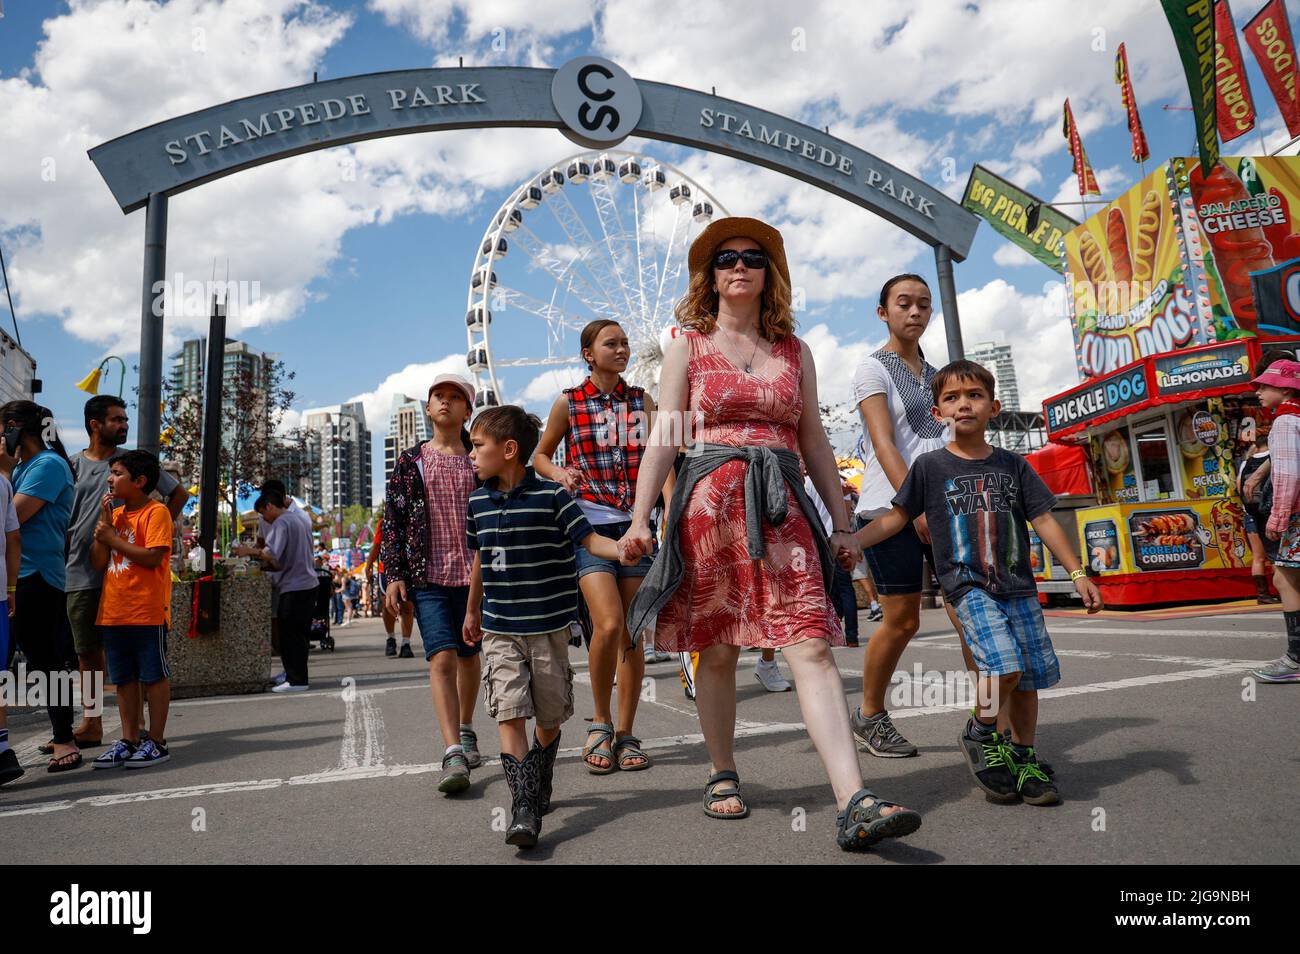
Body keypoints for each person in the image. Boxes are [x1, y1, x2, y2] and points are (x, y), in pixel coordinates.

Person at [622, 217, 922, 851]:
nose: (739, 267)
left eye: (752, 258)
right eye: (726, 258)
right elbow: (666, 438)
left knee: (809, 644)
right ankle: (722, 770)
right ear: (710, 276)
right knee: (720, 647)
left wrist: (843, 524)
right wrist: (641, 517)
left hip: (782, 506)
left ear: (769, 274)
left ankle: (853, 798)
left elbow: (812, 437)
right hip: (711, 506)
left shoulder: (796, 351)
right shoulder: (687, 346)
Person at [853, 360, 1103, 805]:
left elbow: (1043, 517)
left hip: (1019, 587)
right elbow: (896, 516)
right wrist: (853, 543)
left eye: (973, 395)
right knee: (1002, 668)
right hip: (968, 587)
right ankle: (981, 731)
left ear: (994, 406)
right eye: (951, 398)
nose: (963, 404)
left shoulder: (1013, 465)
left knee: (1026, 680)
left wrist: (1078, 572)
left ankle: (1024, 757)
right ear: (936, 413)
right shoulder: (930, 466)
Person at [462, 404, 624, 849]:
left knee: (550, 716)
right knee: (510, 711)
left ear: (509, 450)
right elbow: (480, 560)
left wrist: (625, 548)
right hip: (500, 628)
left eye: (477, 446)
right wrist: (472, 610)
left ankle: (541, 768)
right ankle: (525, 806)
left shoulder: (553, 497)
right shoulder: (476, 502)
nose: (471, 455)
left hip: (550, 629)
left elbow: (590, 541)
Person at [533, 319, 675, 772]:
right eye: (611, 343)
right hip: (589, 527)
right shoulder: (568, 403)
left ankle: (628, 733)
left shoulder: (642, 401)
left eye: (626, 343)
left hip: (635, 525)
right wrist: (559, 474)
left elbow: (663, 455)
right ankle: (599, 720)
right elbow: (540, 455)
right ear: (588, 354)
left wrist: (668, 509)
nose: (623, 349)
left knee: (633, 632)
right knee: (609, 624)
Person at [850, 274, 976, 758]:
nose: (916, 312)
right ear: (883, 312)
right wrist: (915, 502)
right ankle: (870, 715)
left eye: (924, 304)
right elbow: (883, 442)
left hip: (947, 507)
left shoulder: (940, 377)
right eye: (904, 304)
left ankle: (989, 722)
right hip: (889, 509)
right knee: (902, 622)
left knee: (969, 616)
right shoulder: (871, 368)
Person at [64, 396, 187, 751]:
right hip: (83, 571)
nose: (123, 425)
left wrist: (159, 528)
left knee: (143, 661)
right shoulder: (72, 465)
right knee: (88, 653)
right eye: (116, 420)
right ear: (94, 424)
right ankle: (92, 722)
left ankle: (142, 731)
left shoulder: (132, 464)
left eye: (125, 419)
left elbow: (175, 494)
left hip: (134, 581)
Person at [382, 374, 484, 793]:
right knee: (441, 658)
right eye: (438, 397)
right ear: (427, 409)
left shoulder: (481, 459)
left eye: (455, 397)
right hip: (428, 577)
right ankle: (452, 750)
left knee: (468, 655)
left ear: (467, 410)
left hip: (475, 576)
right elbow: (394, 519)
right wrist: (393, 574)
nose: (445, 402)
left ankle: (466, 726)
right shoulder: (411, 462)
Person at [1, 401, 77, 772]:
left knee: (46, 662)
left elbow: (10, 517)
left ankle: (64, 737)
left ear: (15, 427)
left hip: (37, 576)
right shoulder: (21, 467)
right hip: (12, 578)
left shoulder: (48, 465)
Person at [88, 451, 175, 768]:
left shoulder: (157, 513)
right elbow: (98, 562)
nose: (109, 479)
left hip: (146, 611)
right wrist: (105, 528)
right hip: (113, 610)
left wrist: (113, 538)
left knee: (154, 676)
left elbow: (153, 556)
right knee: (123, 679)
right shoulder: (116, 515)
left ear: (139, 481)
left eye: (117, 473)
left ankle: (157, 741)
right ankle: (128, 739)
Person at [234, 488, 318, 692]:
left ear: (270, 506)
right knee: (299, 635)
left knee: (290, 634)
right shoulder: (300, 519)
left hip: (294, 585)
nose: (265, 519)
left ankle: (297, 681)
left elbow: (271, 554)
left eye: (263, 513)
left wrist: (247, 551)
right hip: (308, 583)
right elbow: (281, 560)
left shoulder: (281, 523)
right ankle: (295, 676)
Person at [1250, 359, 1300, 683]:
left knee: (1284, 581)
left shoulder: (1283, 423)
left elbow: (1289, 474)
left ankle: (1295, 660)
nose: (1258, 392)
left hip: (1297, 516)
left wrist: (1278, 518)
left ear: (1284, 389)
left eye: (1264, 386)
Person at [1238, 432, 1279, 604]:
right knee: (1277, 555)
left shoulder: (1246, 462)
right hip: (1270, 513)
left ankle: (1263, 595)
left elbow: (1238, 487)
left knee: (1258, 556)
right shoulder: (1273, 457)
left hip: (1250, 514)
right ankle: (1286, 591)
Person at [365, 514, 414, 657]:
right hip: (387, 569)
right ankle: (391, 638)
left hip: (409, 568)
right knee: (388, 604)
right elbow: (377, 546)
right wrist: (368, 566)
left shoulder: (415, 517)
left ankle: (406, 643)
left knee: (407, 606)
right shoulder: (384, 522)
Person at [0, 470, 22, 786]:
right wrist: (12, 588)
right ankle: (2, 750)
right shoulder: (3, 482)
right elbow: (13, 538)